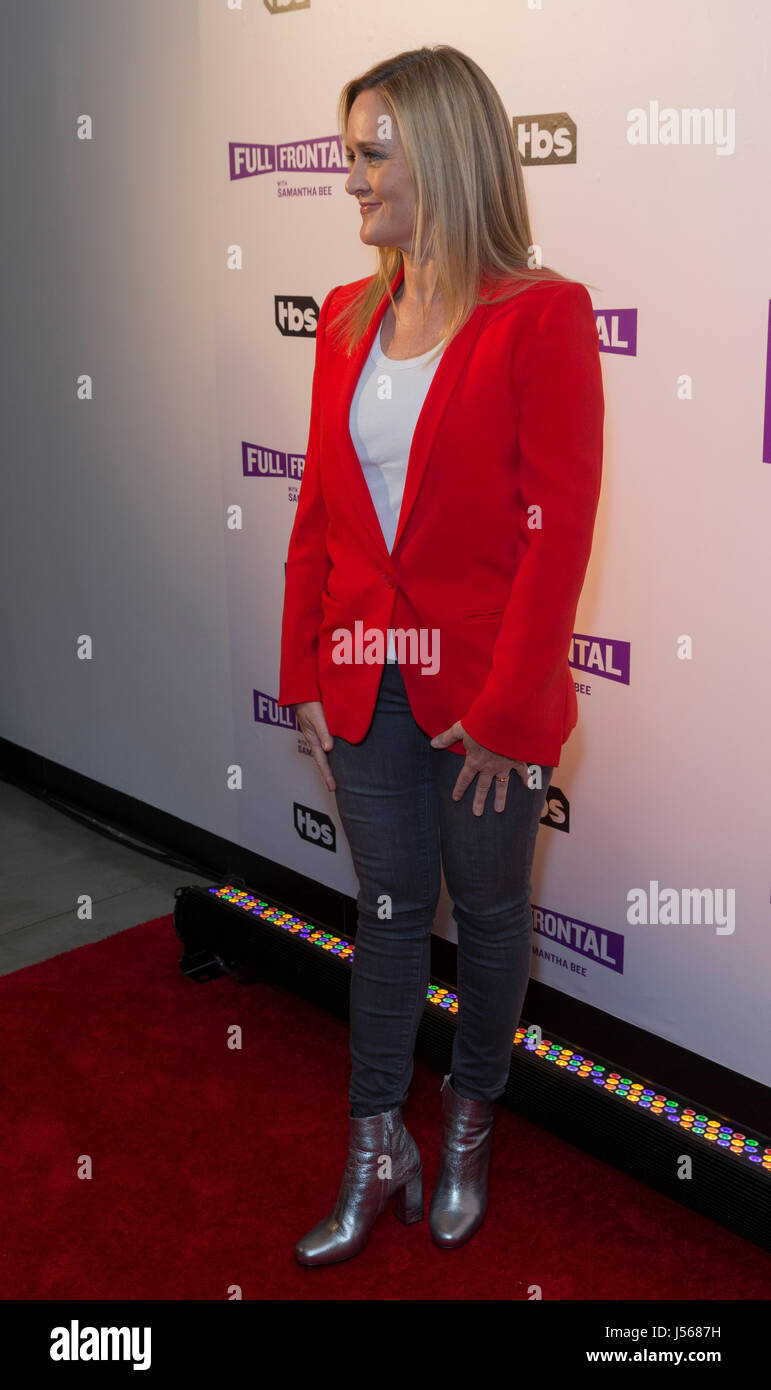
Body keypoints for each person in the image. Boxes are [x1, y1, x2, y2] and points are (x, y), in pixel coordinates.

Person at [278, 44, 604, 1265]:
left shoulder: (543, 315)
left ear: (446, 156)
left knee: (496, 913)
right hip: (363, 668)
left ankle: (466, 1124)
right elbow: (318, 500)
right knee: (389, 909)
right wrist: (300, 663)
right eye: (348, 152)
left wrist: (516, 707)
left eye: (374, 153)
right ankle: (377, 1142)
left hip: (486, 696)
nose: (351, 177)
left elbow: (557, 532)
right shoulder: (349, 311)